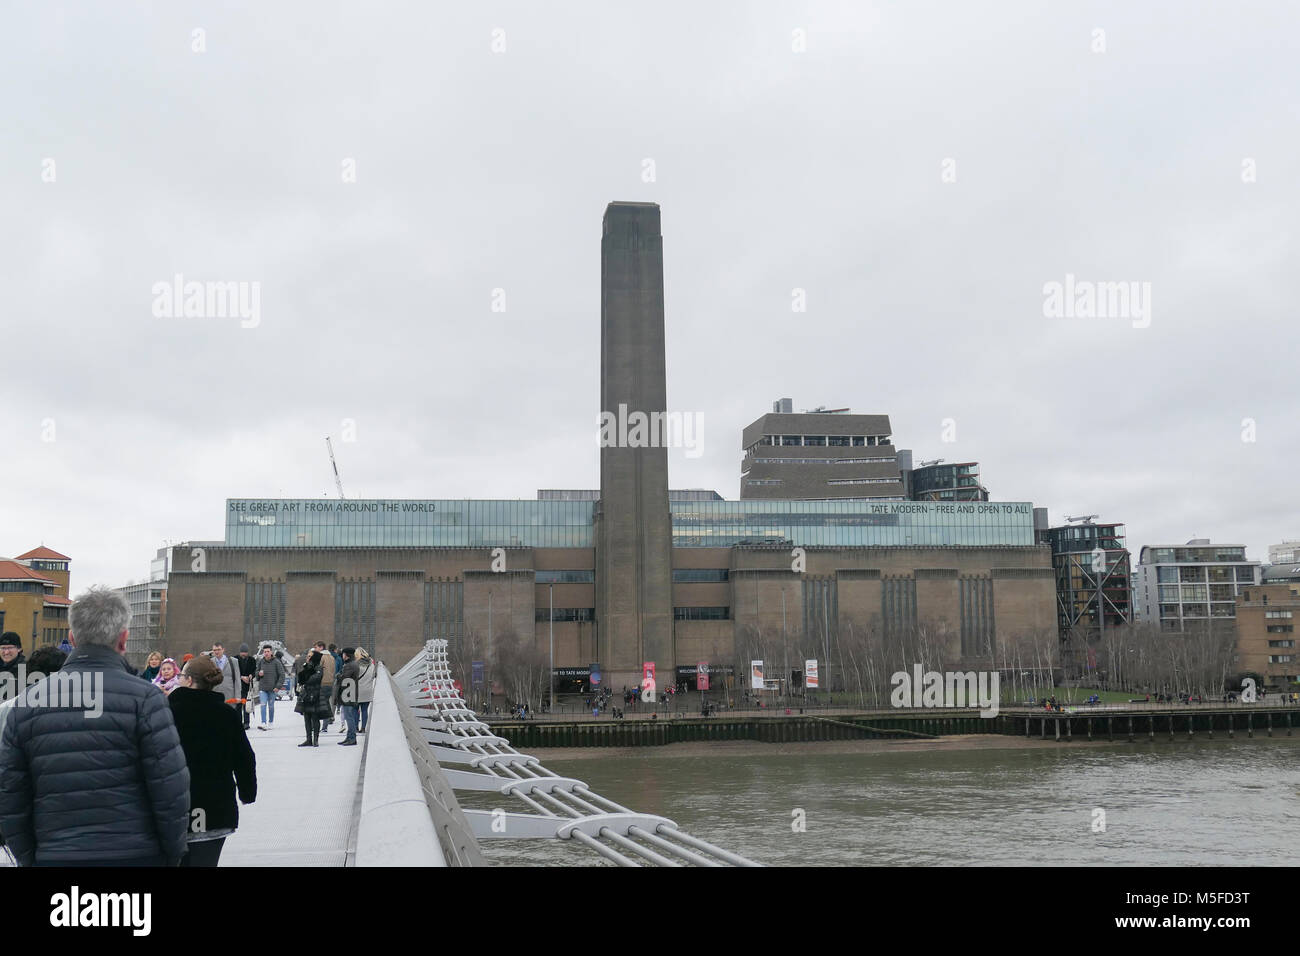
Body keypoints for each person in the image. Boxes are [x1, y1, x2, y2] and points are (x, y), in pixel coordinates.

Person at [0, 587, 190, 866]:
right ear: (123, 639)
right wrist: (171, 854)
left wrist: (30, 857)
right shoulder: (146, 700)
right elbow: (170, 789)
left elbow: (10, 793)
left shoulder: (27, 703)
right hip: (134, 854)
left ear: (72, 638)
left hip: (55, 854)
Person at [168, 655, 257, 866]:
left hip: (175, 806)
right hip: (216, 805)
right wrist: (247, 792)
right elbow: (244, 757)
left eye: (181, 675)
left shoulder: (168, 712)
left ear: (189, 680)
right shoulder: (226, 715)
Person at [295, 650, 331, 747]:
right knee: (307, 718)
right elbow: (301, 679)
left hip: (316, 693)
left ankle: (315, 739)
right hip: (306, 694)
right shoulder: (307, 666)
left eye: (310, 656)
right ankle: (308, 739)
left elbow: (315, 678)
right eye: (308, 656)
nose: (308, 658)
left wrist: (305, 678)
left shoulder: (318, 667)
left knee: (315, 718)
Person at [332, 647, 360, 746]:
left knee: (349, 717)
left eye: (343, 654)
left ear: (347, 655)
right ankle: (349, 737)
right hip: (350, 693)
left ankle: (352, 738)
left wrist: (338, 675)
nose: (342, 656)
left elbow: (343, 678)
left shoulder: (349, 666)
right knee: (349, 716)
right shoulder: (353, 664)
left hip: (347, 694)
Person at [255, 645, 287, 729]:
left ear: (271, 652)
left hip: (273, 689)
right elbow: (256, 672)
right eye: (265, 652)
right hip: (263, 688)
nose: (266, 653)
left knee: (271, 706)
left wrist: (278, 686)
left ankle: (271, 722)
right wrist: (258, 674)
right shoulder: (261, 662)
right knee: (263, 705)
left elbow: (282, 675)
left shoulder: (276, 662)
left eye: (268, 651)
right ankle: (263, 722)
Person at [209, 643, 241, 709]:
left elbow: (237, 679)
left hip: (229, 696)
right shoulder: (210, 662)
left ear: (223, 650)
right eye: (214, 650)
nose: (216, 652)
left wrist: (237, 696)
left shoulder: (233, 661)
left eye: (218, 649)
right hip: (215, 695)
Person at [314, 641, 337, 731]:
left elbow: (317, 670)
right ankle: (326, 724)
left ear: (321, 647)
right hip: (330, 683)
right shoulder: (331, 657)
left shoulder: (320, 657)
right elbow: (333, 670)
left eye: (316, 647)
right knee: (326, 703)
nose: (315, 649)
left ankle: (322, 726)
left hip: (322, 683)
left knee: (322, 705)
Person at [355, 647, 377, 733]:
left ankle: (356, 727)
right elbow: (373, 676)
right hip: (367, 690)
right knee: (364, 710)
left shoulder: (356, 664)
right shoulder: (371, 664)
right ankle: (363, 728)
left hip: (357, 690)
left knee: (355, 710)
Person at [236, 644, 257, 729]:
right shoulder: (235, 659)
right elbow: (234, 672)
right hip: (237, 685)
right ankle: (238, 722)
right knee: (238, 705)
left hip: (247, 686)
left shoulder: (252, 660)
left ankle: (246, 723)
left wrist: (251, 676)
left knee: (246, 705)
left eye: (245, 652)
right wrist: (241, 677)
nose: (243, 654)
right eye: (242, 652)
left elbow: (254, 671)